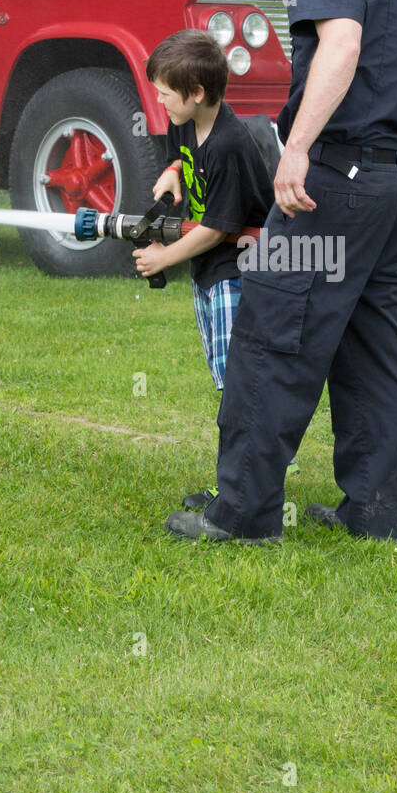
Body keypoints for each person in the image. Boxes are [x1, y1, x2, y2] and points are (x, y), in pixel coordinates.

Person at [164, 0, 397, 547]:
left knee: (272, 333)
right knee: (375, 348)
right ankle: (373, 515)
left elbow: (341, 46)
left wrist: (298, 147)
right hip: (394, 181)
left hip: (335, 184)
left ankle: (243, 515)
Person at [134, 29, 273, 509]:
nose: (159, 102)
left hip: (239, 269)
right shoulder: (187, 121)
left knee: (238, 381)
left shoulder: (230, 144)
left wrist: (161, 258)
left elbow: (218, 227)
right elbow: (183, 155)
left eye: (165, 94)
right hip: (210, 268)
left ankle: (245, 480)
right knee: (225, 377)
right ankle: (238, 477)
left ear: (196, 93)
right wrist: (173, 171)